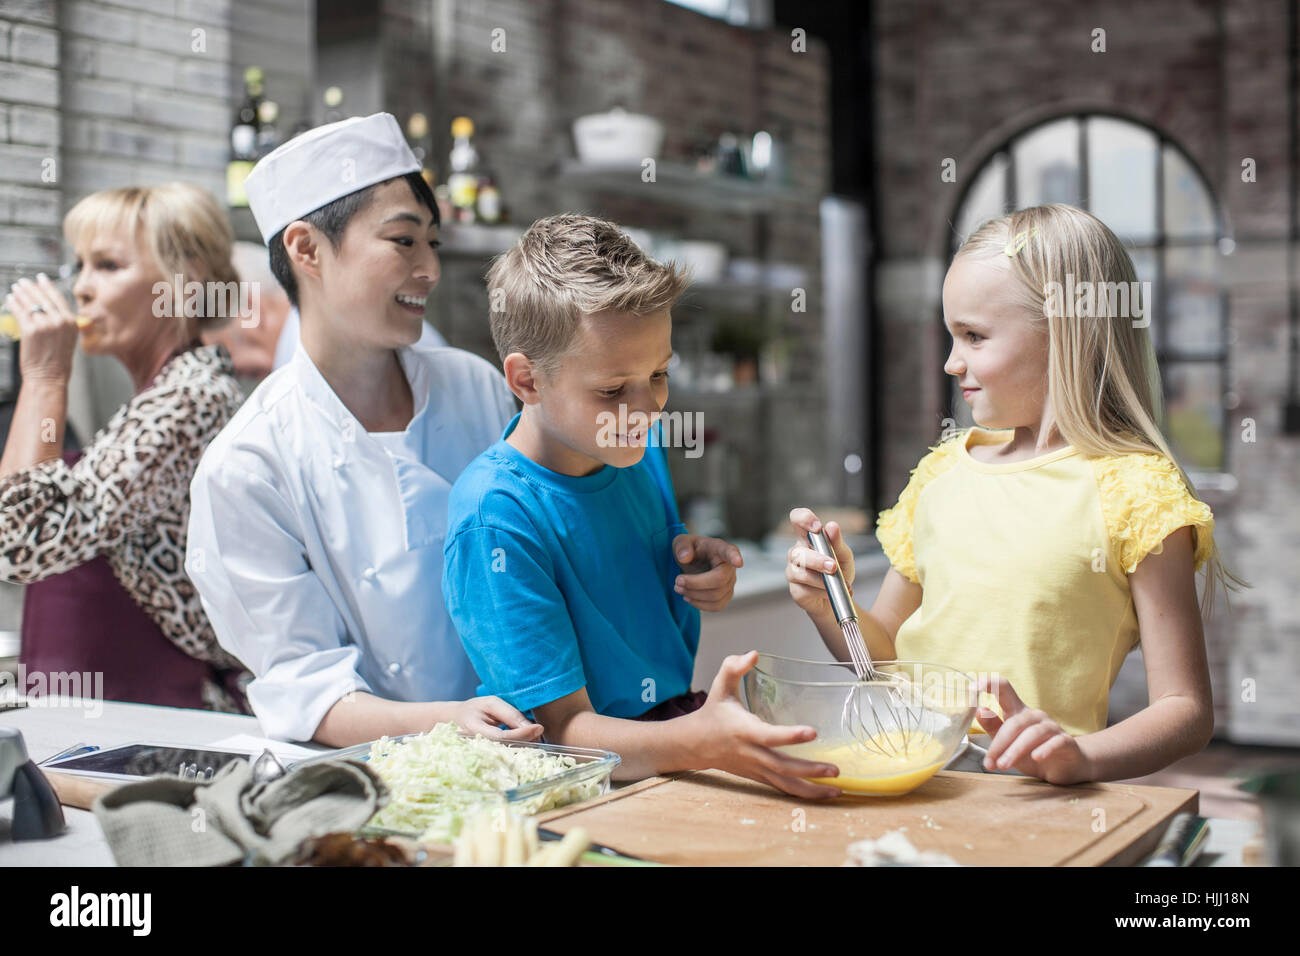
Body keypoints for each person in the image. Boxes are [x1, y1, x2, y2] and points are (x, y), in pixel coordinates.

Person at [786, 204, 1247, 785]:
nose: (953, 362)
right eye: (951, 336)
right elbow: (878, 663)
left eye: (974, 336)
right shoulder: (939, 474)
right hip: (903, 780)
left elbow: (1185, 711)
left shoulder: (1136, 491)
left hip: (1031, 804)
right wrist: (834, 606)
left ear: (1066, 334)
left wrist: (1081, 759)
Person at [442, 214, 845, 800]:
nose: (647, 408)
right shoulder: (496, 516)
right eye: (612, 391)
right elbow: (559, 735)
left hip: (667, 745)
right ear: (526, 380)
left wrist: (697, 568)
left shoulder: (634, 449)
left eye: (659, 374)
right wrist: (701, 740)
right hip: (582, 786)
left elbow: (642, 562)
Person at [187, 113, 538, 746]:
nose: (429, 268)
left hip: (532, 748)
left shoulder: (476, 388)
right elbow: (306, 685)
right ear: (306, 249)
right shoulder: (249, 464)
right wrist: (448, 722)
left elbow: (552, 541)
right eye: (404, 241)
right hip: (372, 779)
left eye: (434, 243)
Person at [0, 183, 250, 710]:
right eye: (81, 266)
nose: (82, 288)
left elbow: (19, 539)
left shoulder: (190, 401)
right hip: (110, 715)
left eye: (108, 266)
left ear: (186, 284)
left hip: (153, 727)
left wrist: (45, 375)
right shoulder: (167, 394)